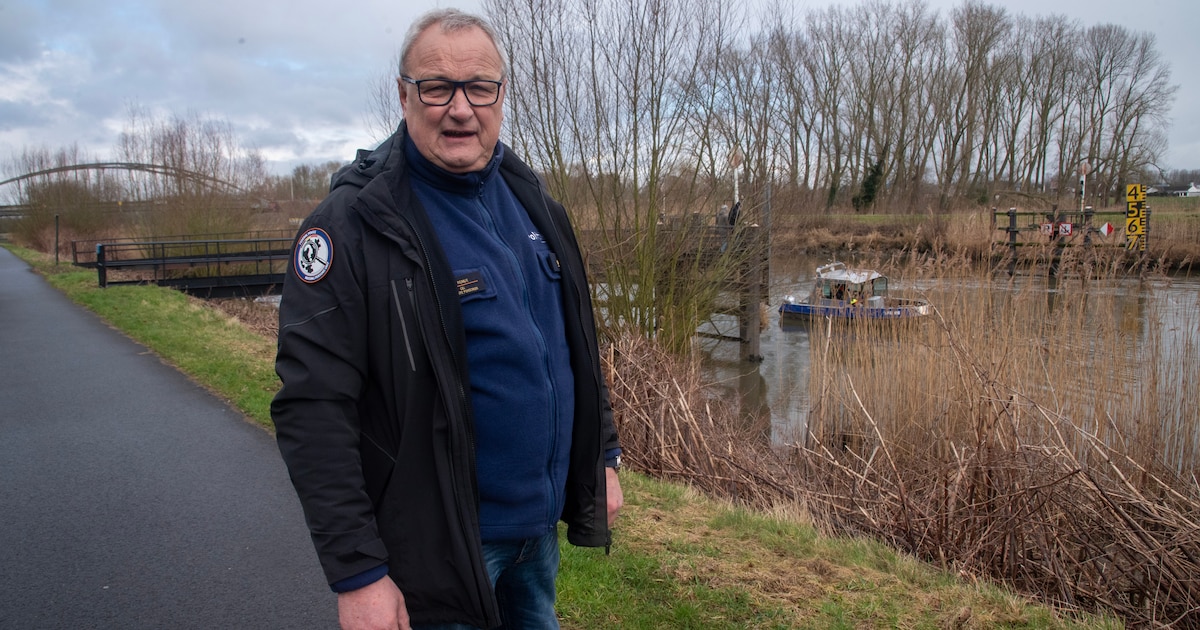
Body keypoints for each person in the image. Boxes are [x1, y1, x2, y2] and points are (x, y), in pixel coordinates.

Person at [270, 9, 624, 629]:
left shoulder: (532, 199)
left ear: (501, 96)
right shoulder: (352, 226)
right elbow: (313, 408)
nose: (461, 108)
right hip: (434, 545)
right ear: (403, 94)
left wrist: (603, 459)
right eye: (437, 87)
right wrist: (358, 575)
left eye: (480, 87)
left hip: (533, 535)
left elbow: (574, 346)